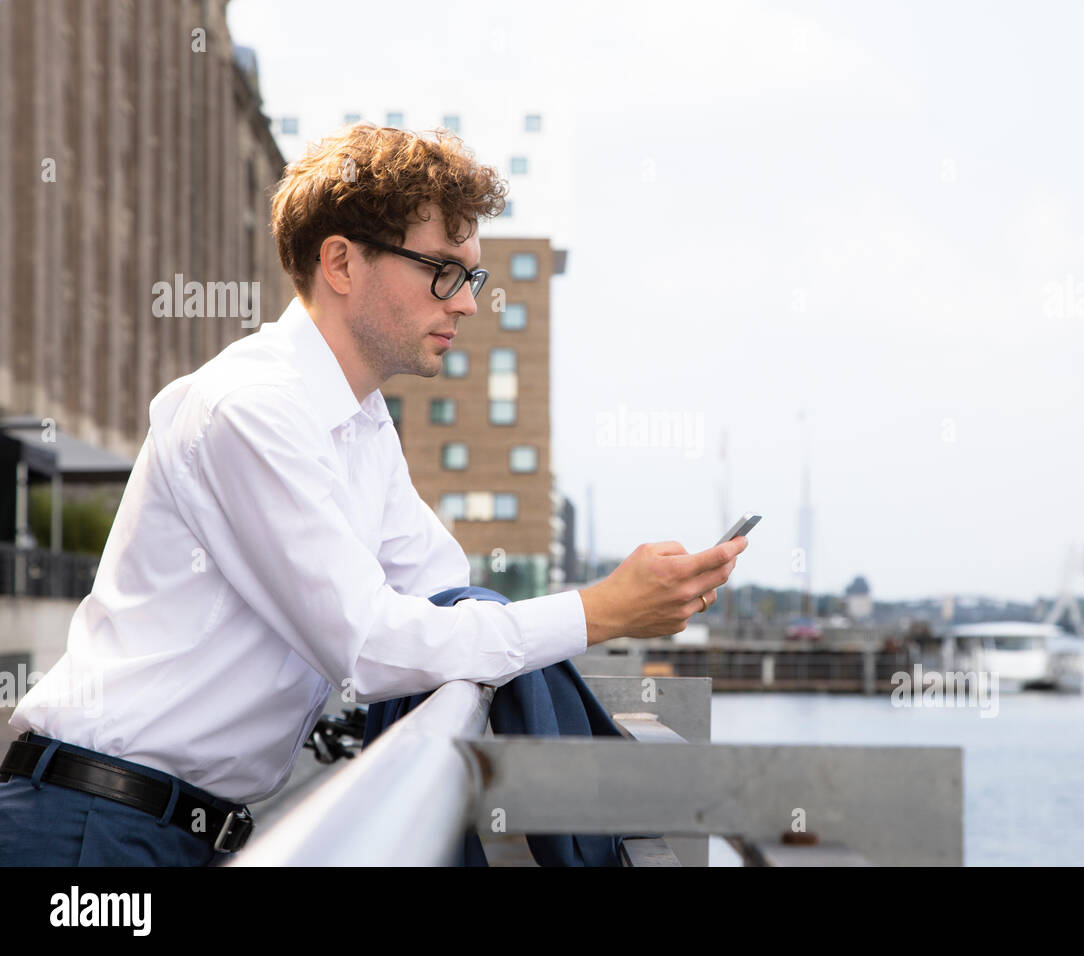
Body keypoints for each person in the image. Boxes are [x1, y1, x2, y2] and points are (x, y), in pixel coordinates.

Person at [0, 123, 748, 866]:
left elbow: (440, 595)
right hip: (87, 828)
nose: (466, 304)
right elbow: (369, 644)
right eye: (443, 270)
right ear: (341, 263)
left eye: (472, 277)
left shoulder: (358, 423)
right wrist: (603, 609)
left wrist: (602, 606)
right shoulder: (250, 409)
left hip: (163, 828)